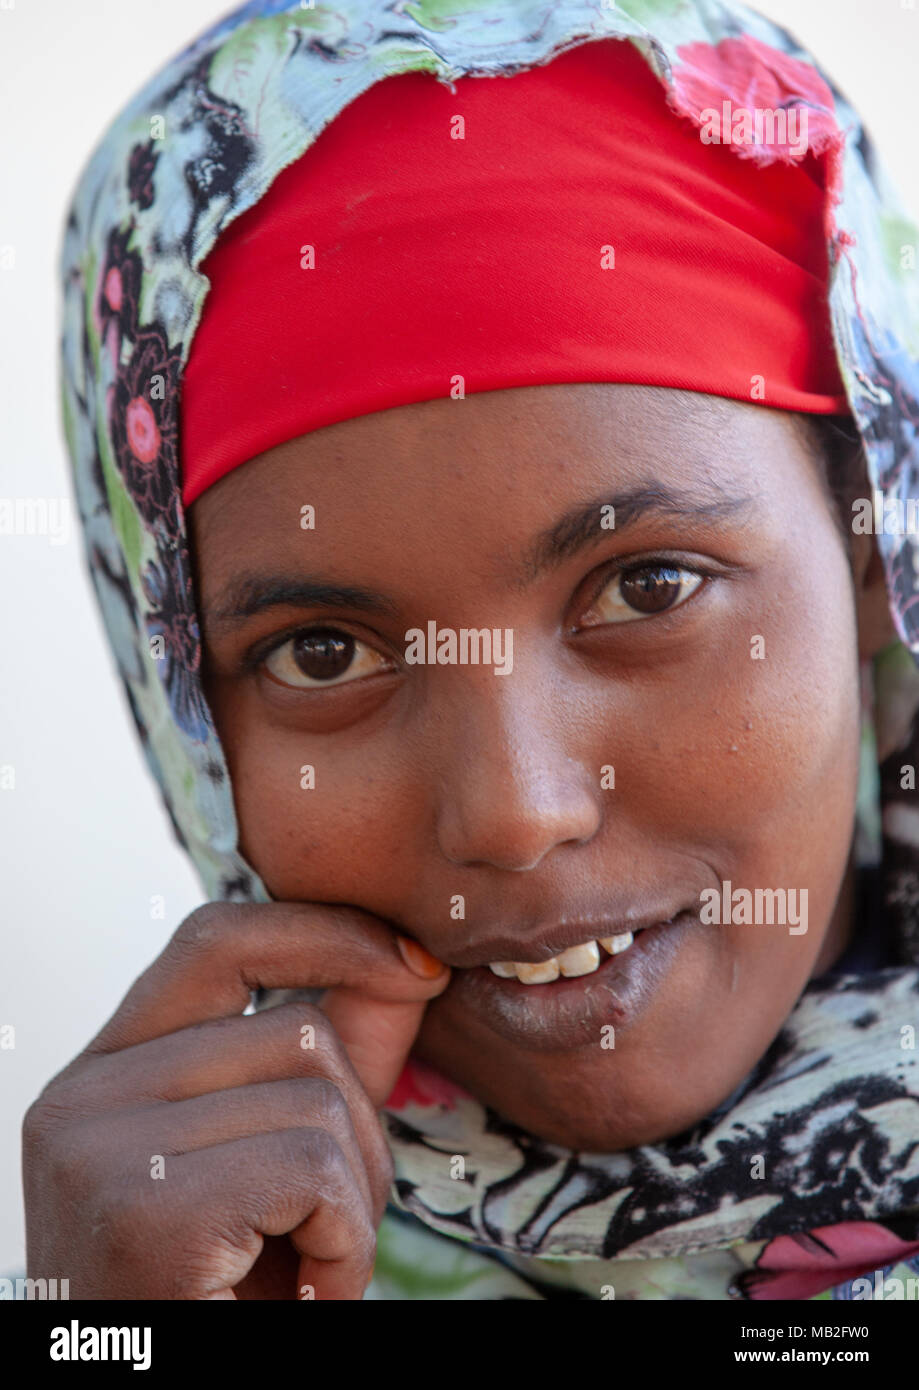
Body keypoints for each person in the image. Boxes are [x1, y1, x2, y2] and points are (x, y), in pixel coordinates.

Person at [25, 0, 919, 1300]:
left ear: (870, 546)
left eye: (647, 584)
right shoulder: (152, 1276)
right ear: (187, 718)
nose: (515, 811)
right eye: (322, 652)